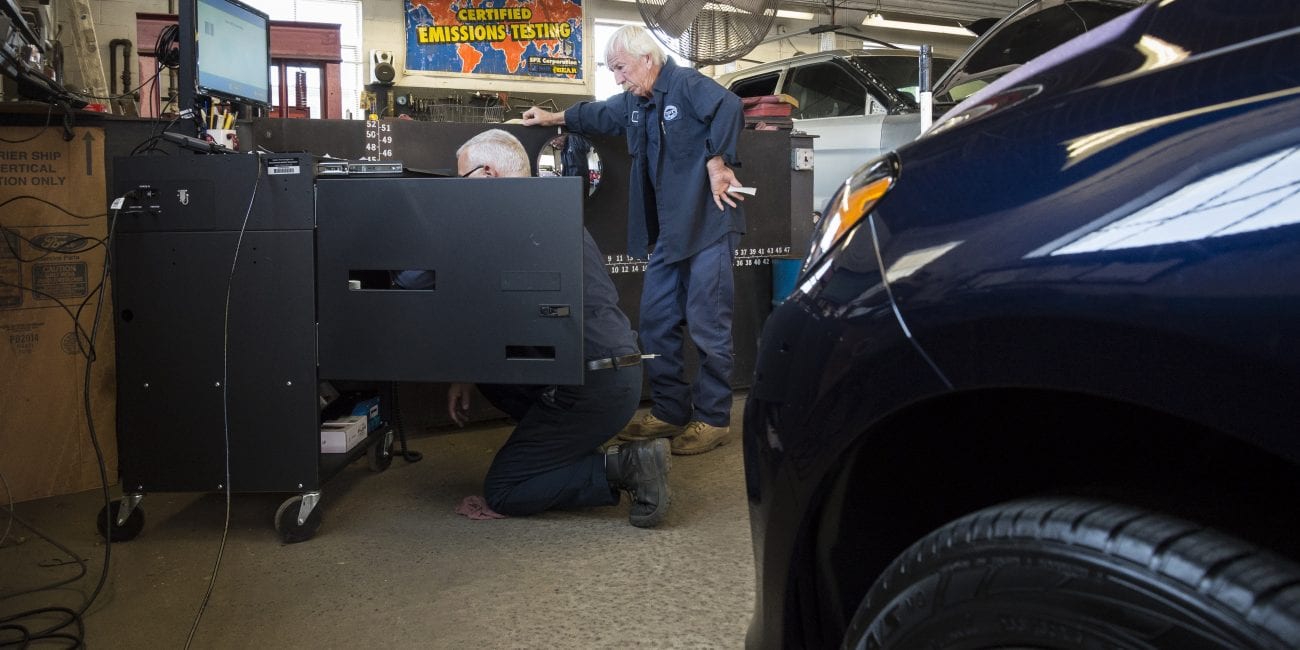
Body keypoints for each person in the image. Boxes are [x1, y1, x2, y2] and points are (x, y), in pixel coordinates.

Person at [522, 25, 746, 456]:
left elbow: (730, 106)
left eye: (621, 68)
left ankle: (714, 419)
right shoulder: (637, 103)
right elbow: (599, 114)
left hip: (708, 225)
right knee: (656, 323)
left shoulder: (686, 84)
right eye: (613, 71)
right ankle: (669, 411)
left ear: (647, 58)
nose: (618, 78)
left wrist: (718, 162)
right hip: (668, 235)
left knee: (708, 327)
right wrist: (552, 118)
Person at [439, 129, 670, 528]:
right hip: (612, 374)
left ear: (490, 173)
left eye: (464, 179)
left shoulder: (508, 221)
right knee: (494, 379)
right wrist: (467, 372)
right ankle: (570, 448)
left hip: (593, 384)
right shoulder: (546, 214)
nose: (460, 191)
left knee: (505, 490)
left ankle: (626, 465)